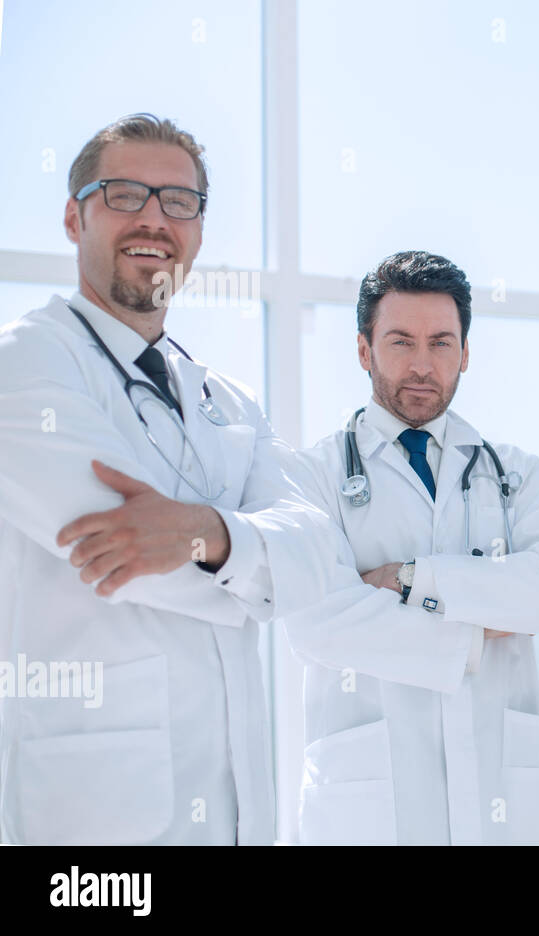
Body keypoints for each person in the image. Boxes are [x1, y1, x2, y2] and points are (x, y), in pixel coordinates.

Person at [0, 114, 334, 844]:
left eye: (179, 202)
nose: (154, 218)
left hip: (236, 807)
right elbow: (120, 548)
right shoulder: (26, 366)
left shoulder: (229, 399)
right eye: (124, 194)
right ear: (72, 215)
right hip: (95, 821)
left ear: (200, 232)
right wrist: (254, 558)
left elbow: (321, 557)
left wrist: (206, 535)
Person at [279, 250, 539, 845]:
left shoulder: (516, 474)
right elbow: (320, 624)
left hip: (505, 804)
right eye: (401, 342)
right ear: (364, 350)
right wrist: (485, 626)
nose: (422, 365)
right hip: (370, 808)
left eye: (442, 343)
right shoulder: (311, 475)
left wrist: (408, 580)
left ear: (466, 354)